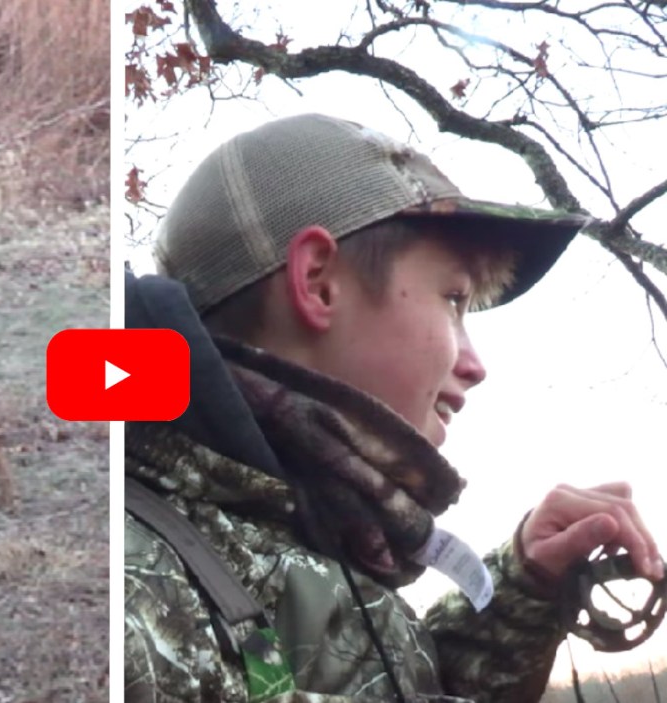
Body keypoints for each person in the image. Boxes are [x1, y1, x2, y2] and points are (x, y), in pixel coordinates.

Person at [123, 112, 664, 703]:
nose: (476, 365)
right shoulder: (134, 588)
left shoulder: (310, 525)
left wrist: (523, 586)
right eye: (453, 300)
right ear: (319, 283)